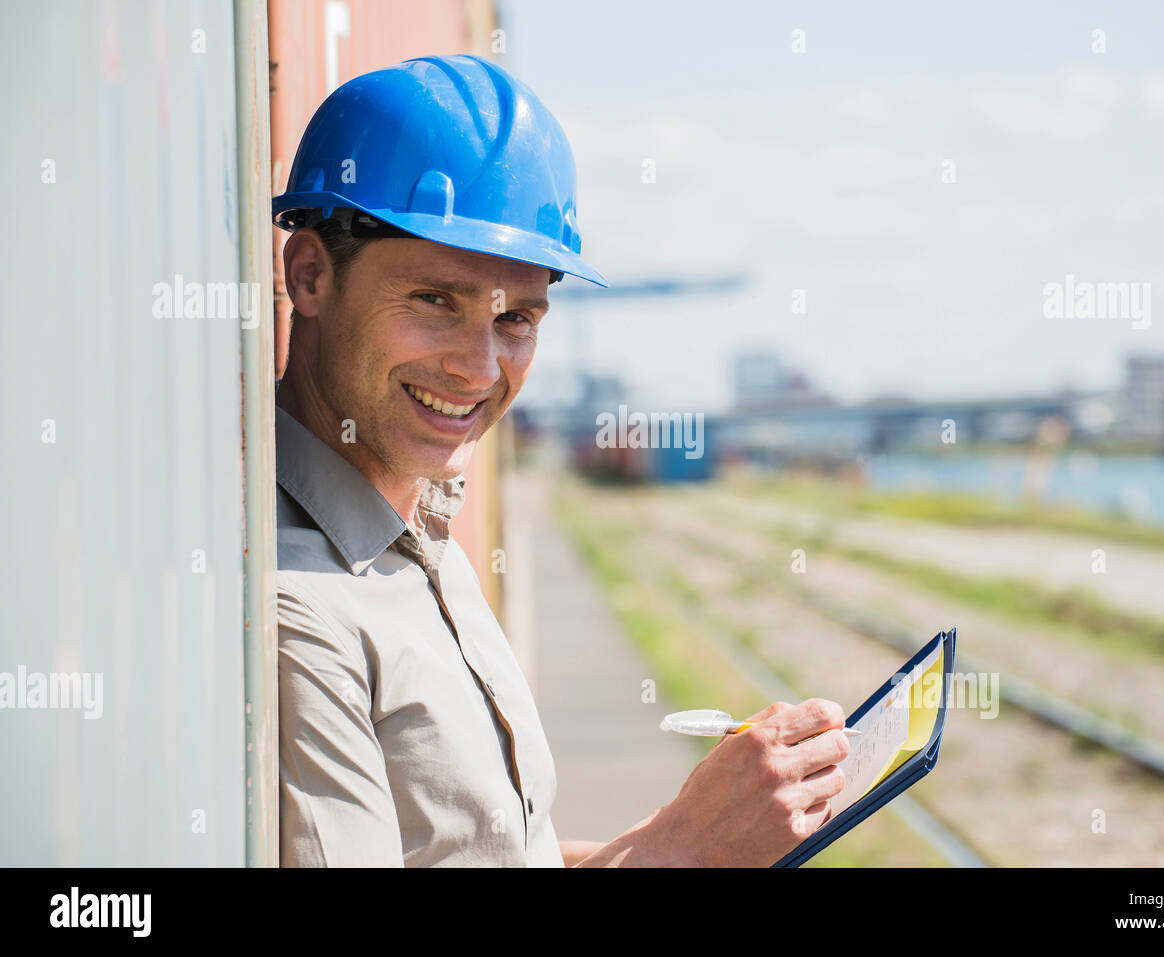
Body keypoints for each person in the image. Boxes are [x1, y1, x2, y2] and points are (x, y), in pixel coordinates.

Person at [272, 54, 849, 867]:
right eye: (436, 300)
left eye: (517, 320)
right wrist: (677, 852)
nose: (479, 369)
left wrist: (689, 835)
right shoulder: (293, 602)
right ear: (310, 276)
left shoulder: (420, 536)